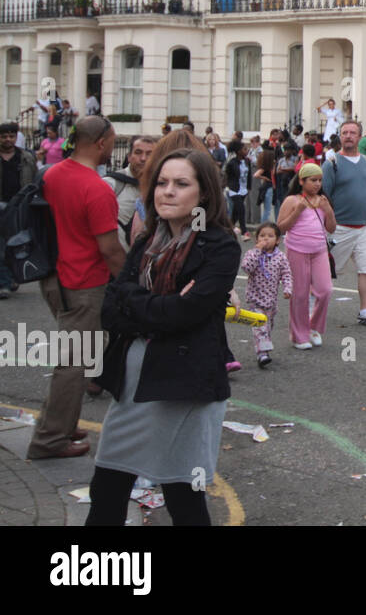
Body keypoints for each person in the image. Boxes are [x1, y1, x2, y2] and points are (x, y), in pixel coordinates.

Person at [88, 147, 241, 525]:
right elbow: (110, 310)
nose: (167, 191)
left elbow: (186, 315)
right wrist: (160, 306)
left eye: (181, 184)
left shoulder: (219, 246)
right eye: (161, 182)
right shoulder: (145, 242)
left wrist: (139, 303)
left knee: (183, 497)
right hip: (134, 381)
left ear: (203, 193)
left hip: (185, 385)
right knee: (106, 489)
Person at [26, 117, 125, 460]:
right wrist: (132, 283)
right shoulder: (97, 188)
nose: (113, 148)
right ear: (101, 143)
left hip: (54, 278)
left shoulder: (52, 174)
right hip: (83, 282)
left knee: (78, 357)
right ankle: (50, 439)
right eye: (113, 142)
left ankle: (62, 423)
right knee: (74, 365)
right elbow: (110, 248)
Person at [322, 120, 366, 327]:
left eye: (352, 133)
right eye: (344, 133)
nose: (348, 136)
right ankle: (313, 307)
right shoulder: (331, 163)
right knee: (325, 270)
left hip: (365, 227)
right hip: (338, 228)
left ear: (360, 137)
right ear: (340, 136)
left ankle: (365, 311)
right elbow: (323, 197)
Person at [277, 163, 336, 351]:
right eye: (313, 180)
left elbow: (331, 228)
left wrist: (328, 210)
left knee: (325, 290)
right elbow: (281, 227)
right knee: (300, 294)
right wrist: (298, 210)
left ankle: (314, 328)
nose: (317, 184)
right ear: (301, 181)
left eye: (319, 180)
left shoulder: (323, 200)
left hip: (319, 251)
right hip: (296, 250)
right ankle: (298, 335)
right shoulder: (292, 200)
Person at [239, 222, 293, 368]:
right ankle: (262, 354)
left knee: (268, 326)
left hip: (271, 300)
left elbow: (286, 273)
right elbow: (246, 268)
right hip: (254, 299)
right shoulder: (252, 254)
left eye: (270, 236)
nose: (265, 239)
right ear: (256, 239)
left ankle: (264, 350)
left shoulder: (280, 257)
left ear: (277, 240)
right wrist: (257, 251)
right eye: (262, 236)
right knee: (260, 325)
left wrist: (288, 288)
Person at [0, 121, 38, 292]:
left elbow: (35, 182)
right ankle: (5, 282)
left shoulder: (27, 157)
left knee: (14, 245)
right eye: (4, 137)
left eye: (11, 136)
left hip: (18, 207)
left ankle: (12, 277)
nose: (8, 140)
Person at [103, 135, 157, 251]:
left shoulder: (161, 188)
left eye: (149, 154)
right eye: (138, 152)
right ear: (129, 157)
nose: (143, 158)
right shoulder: (111, 184)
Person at [223, 140, 251, 239]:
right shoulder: (232, 162)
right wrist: (227, 186)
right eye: (245, 149)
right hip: (234, 189)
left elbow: (249, 175)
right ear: (238, 151)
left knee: (236, 211)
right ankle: (244, 231)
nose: (247, 151)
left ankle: (229, 228)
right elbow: (227, 176)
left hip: (243, 189)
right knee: (241, 208)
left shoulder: (247, 161)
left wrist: (249, 187)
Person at [253, 140, 277, 223]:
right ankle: (263, 224)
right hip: (268, 188)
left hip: (268, 187)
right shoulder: (265, 168)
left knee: (267, 209)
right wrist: (265, 178)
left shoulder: (268, 167)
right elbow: (256, 175)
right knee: (267, 210)